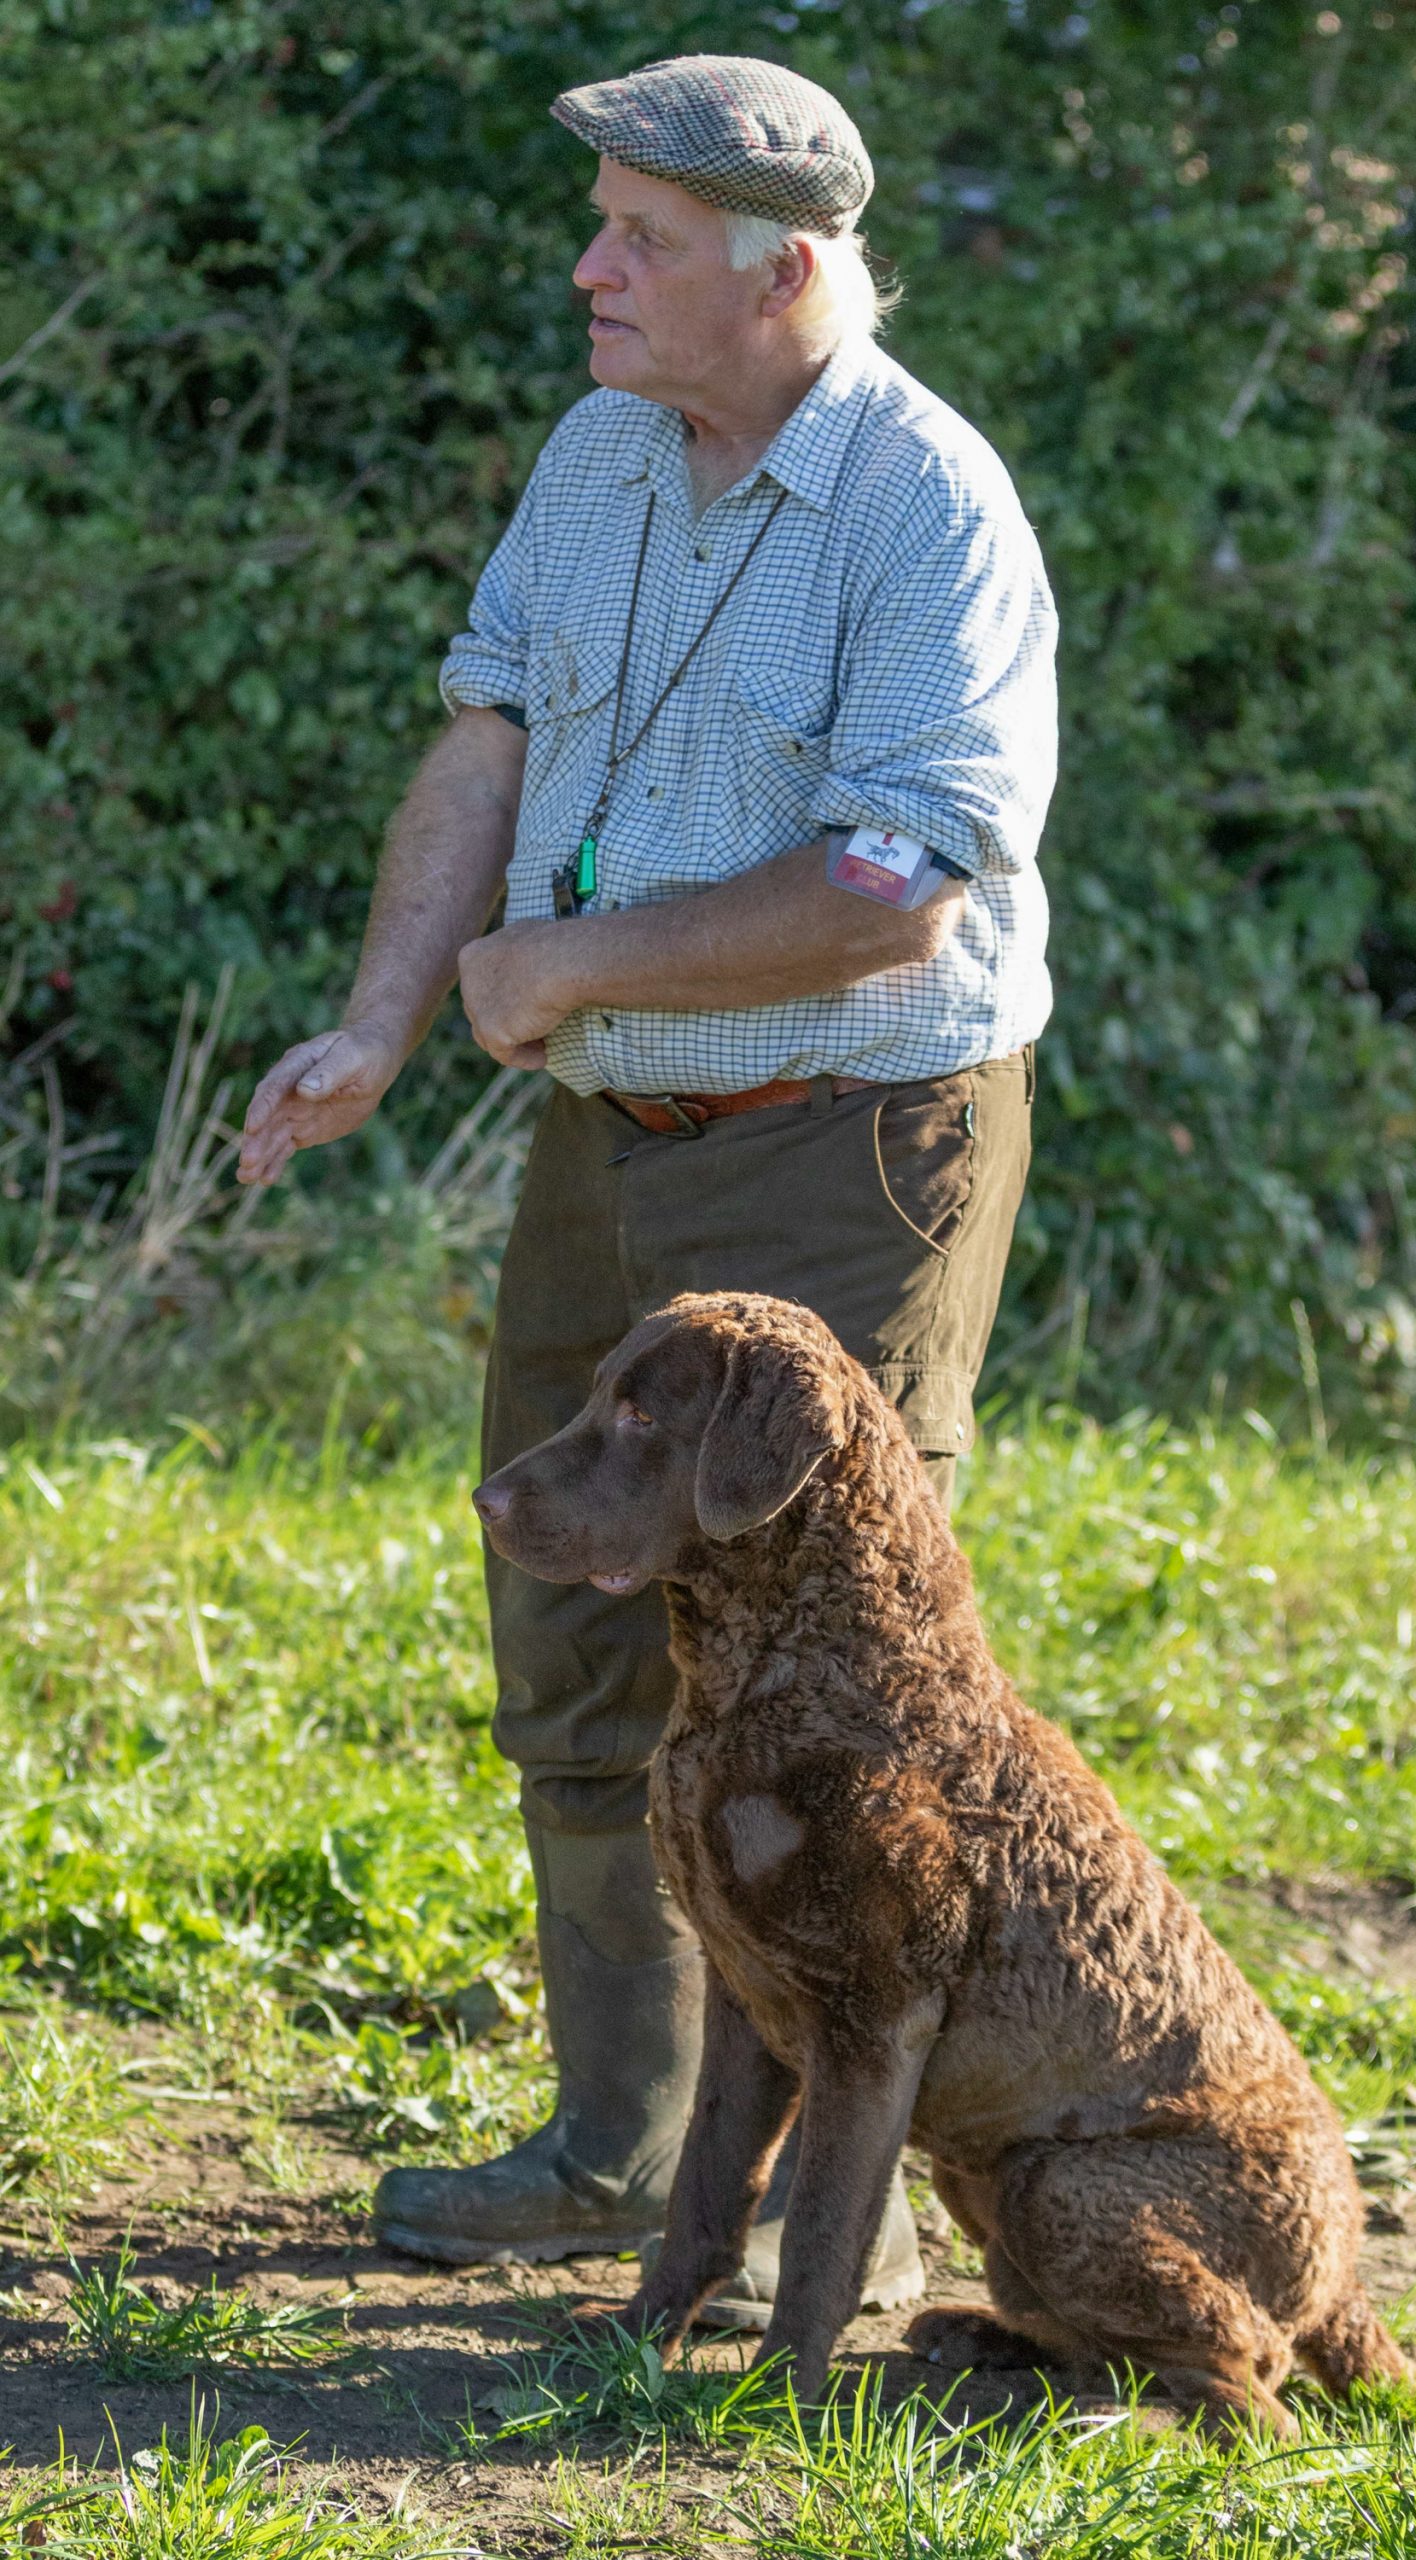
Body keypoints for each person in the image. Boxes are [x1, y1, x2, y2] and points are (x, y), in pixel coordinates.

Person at [238, 52, 1056, 2326]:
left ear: (780, 270)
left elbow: (895, 882)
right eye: (597, 222)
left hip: (850, 1139)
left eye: (637, 239)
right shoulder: (599, 448)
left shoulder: (927, 510)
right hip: (613, 1128)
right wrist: (396, 1015)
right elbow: (488, 732)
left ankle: (843, 2226)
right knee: (571, 1579)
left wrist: (562, 960)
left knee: (832, 1673)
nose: (587, 271)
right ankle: (614, 2146)